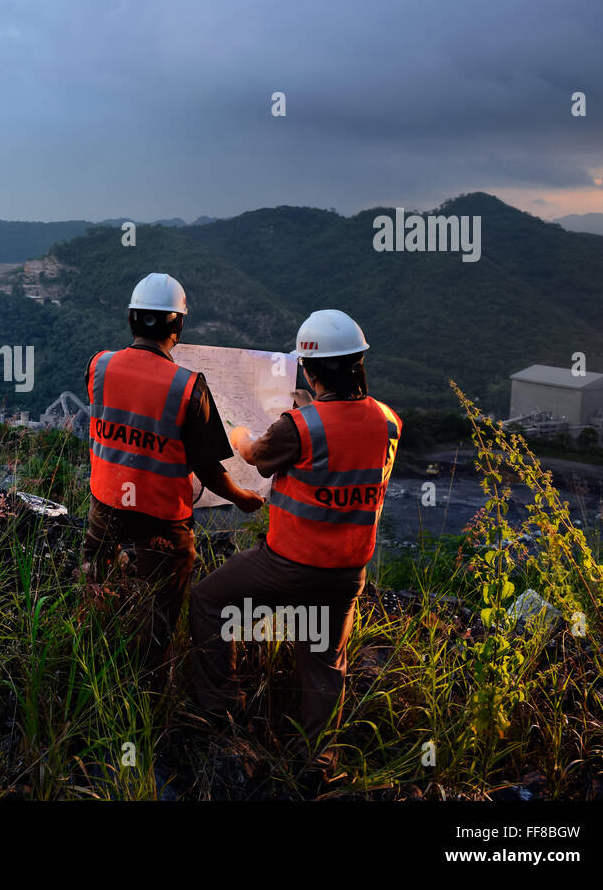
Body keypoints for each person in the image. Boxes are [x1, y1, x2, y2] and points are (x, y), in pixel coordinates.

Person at [187, 309, 401, 768]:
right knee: (324, 663)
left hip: (288, 566)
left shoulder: (299, 426)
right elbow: (342, 449)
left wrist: (240, 431)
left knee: (208, 599)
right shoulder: (388, 422)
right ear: (359, 363)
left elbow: (259, 456)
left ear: (311, 369)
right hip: (347, 575)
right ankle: (317, 761)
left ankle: (222, 712)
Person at [82, 272, 265, 679]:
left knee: (97, 580)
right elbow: (208, 469)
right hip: (160, 518)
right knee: (159, 605)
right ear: (177, 326)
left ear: (132, 319)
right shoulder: (188, 388)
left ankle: (90, 654)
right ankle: (143, 685)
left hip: (105, 502)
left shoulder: (100, 365)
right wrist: (242, 498)